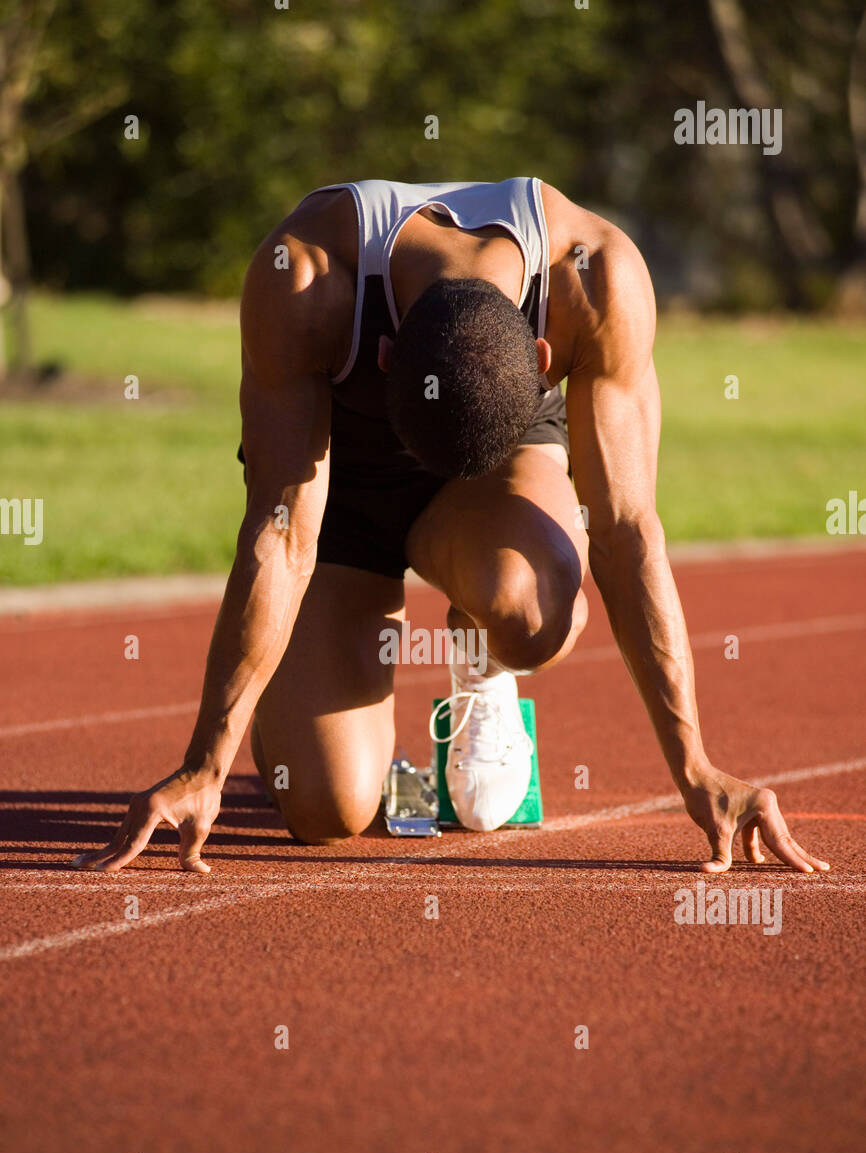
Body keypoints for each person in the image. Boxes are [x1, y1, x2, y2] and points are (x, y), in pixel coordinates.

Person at [74, 177, 829, 875]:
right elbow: (281, 532)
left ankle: (483, 653)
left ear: (542, 360)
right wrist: (207, 759)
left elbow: (628, 529)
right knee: (325, 809)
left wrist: (695, 766)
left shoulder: (596, 278)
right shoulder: (303, 276)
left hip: (492, 491)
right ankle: (294, 698)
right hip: (343, 487)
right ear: (383, 355)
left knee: (535, 613)